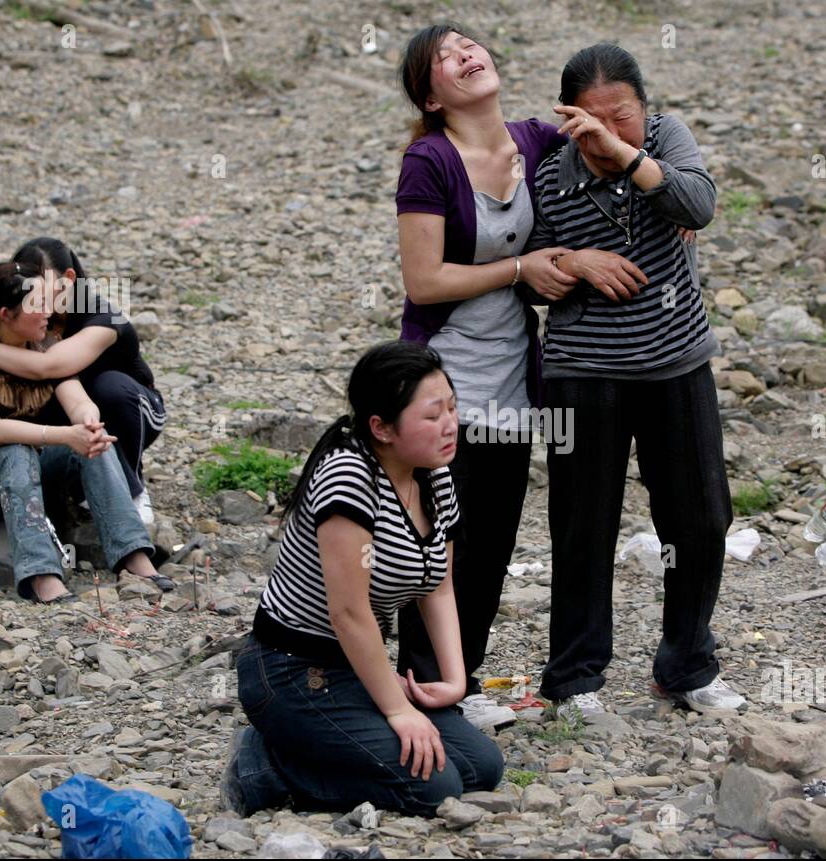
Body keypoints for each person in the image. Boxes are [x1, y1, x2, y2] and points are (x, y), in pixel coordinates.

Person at [525, 44, 746, 717]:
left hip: (676, 361)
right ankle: (575, 678)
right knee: (582, 523)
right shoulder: (547, 175)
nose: (603, 132)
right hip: (582, 371)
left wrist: (629, 159)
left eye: (620, 116)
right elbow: (528, 269)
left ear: (644, 109)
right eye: (587, 121)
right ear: (565, 118)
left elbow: (699, 205)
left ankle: (686, 666)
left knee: (700, 519)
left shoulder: (665, 142)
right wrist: (573, 258)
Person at [222, 341, 504, 818]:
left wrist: (454, 679)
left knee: (481, 766)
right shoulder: (349, 478)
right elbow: (348, 612)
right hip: (291, 667)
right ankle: (264, 767)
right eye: (433, 416)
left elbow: (438, 584)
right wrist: (398, 710)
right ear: (381, 427)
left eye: (453, 408)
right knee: (434, 788)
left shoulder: (434, 476)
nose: (451, 425)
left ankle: (315, 742)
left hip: (356, 667)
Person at [394, 23, 577, 730]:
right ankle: (419, 693)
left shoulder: (535, 141)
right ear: (431, 94)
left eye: (469, 43)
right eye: (444, 56)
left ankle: (460, 688)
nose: (464, 54)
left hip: (511, 379)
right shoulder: (429, 160)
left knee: (494, 539)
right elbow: (424, 278)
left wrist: (668, 205)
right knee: (442, 543)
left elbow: (611, 156)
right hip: (444, 378)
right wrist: (519, 268)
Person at [0, 261, 173, 603]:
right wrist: (64, 436)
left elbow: (77, 400)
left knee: (91, 444)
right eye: (37, 305)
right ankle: (41, 576)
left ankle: (134, 558)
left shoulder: (43, 343)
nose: (48, 312)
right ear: (5, 314)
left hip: (26, 464)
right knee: (15, 450)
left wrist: (88, 424)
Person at [0, 238, 165, 525]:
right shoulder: (28, 307)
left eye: (45, 288)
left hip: (136, 408)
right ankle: (76, 486)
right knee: (50, 404)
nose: (37, 294)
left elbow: (47, 366)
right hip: (76, 406)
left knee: (108, 388)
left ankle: (134, 487)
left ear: (69, 280)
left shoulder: (102, 316)